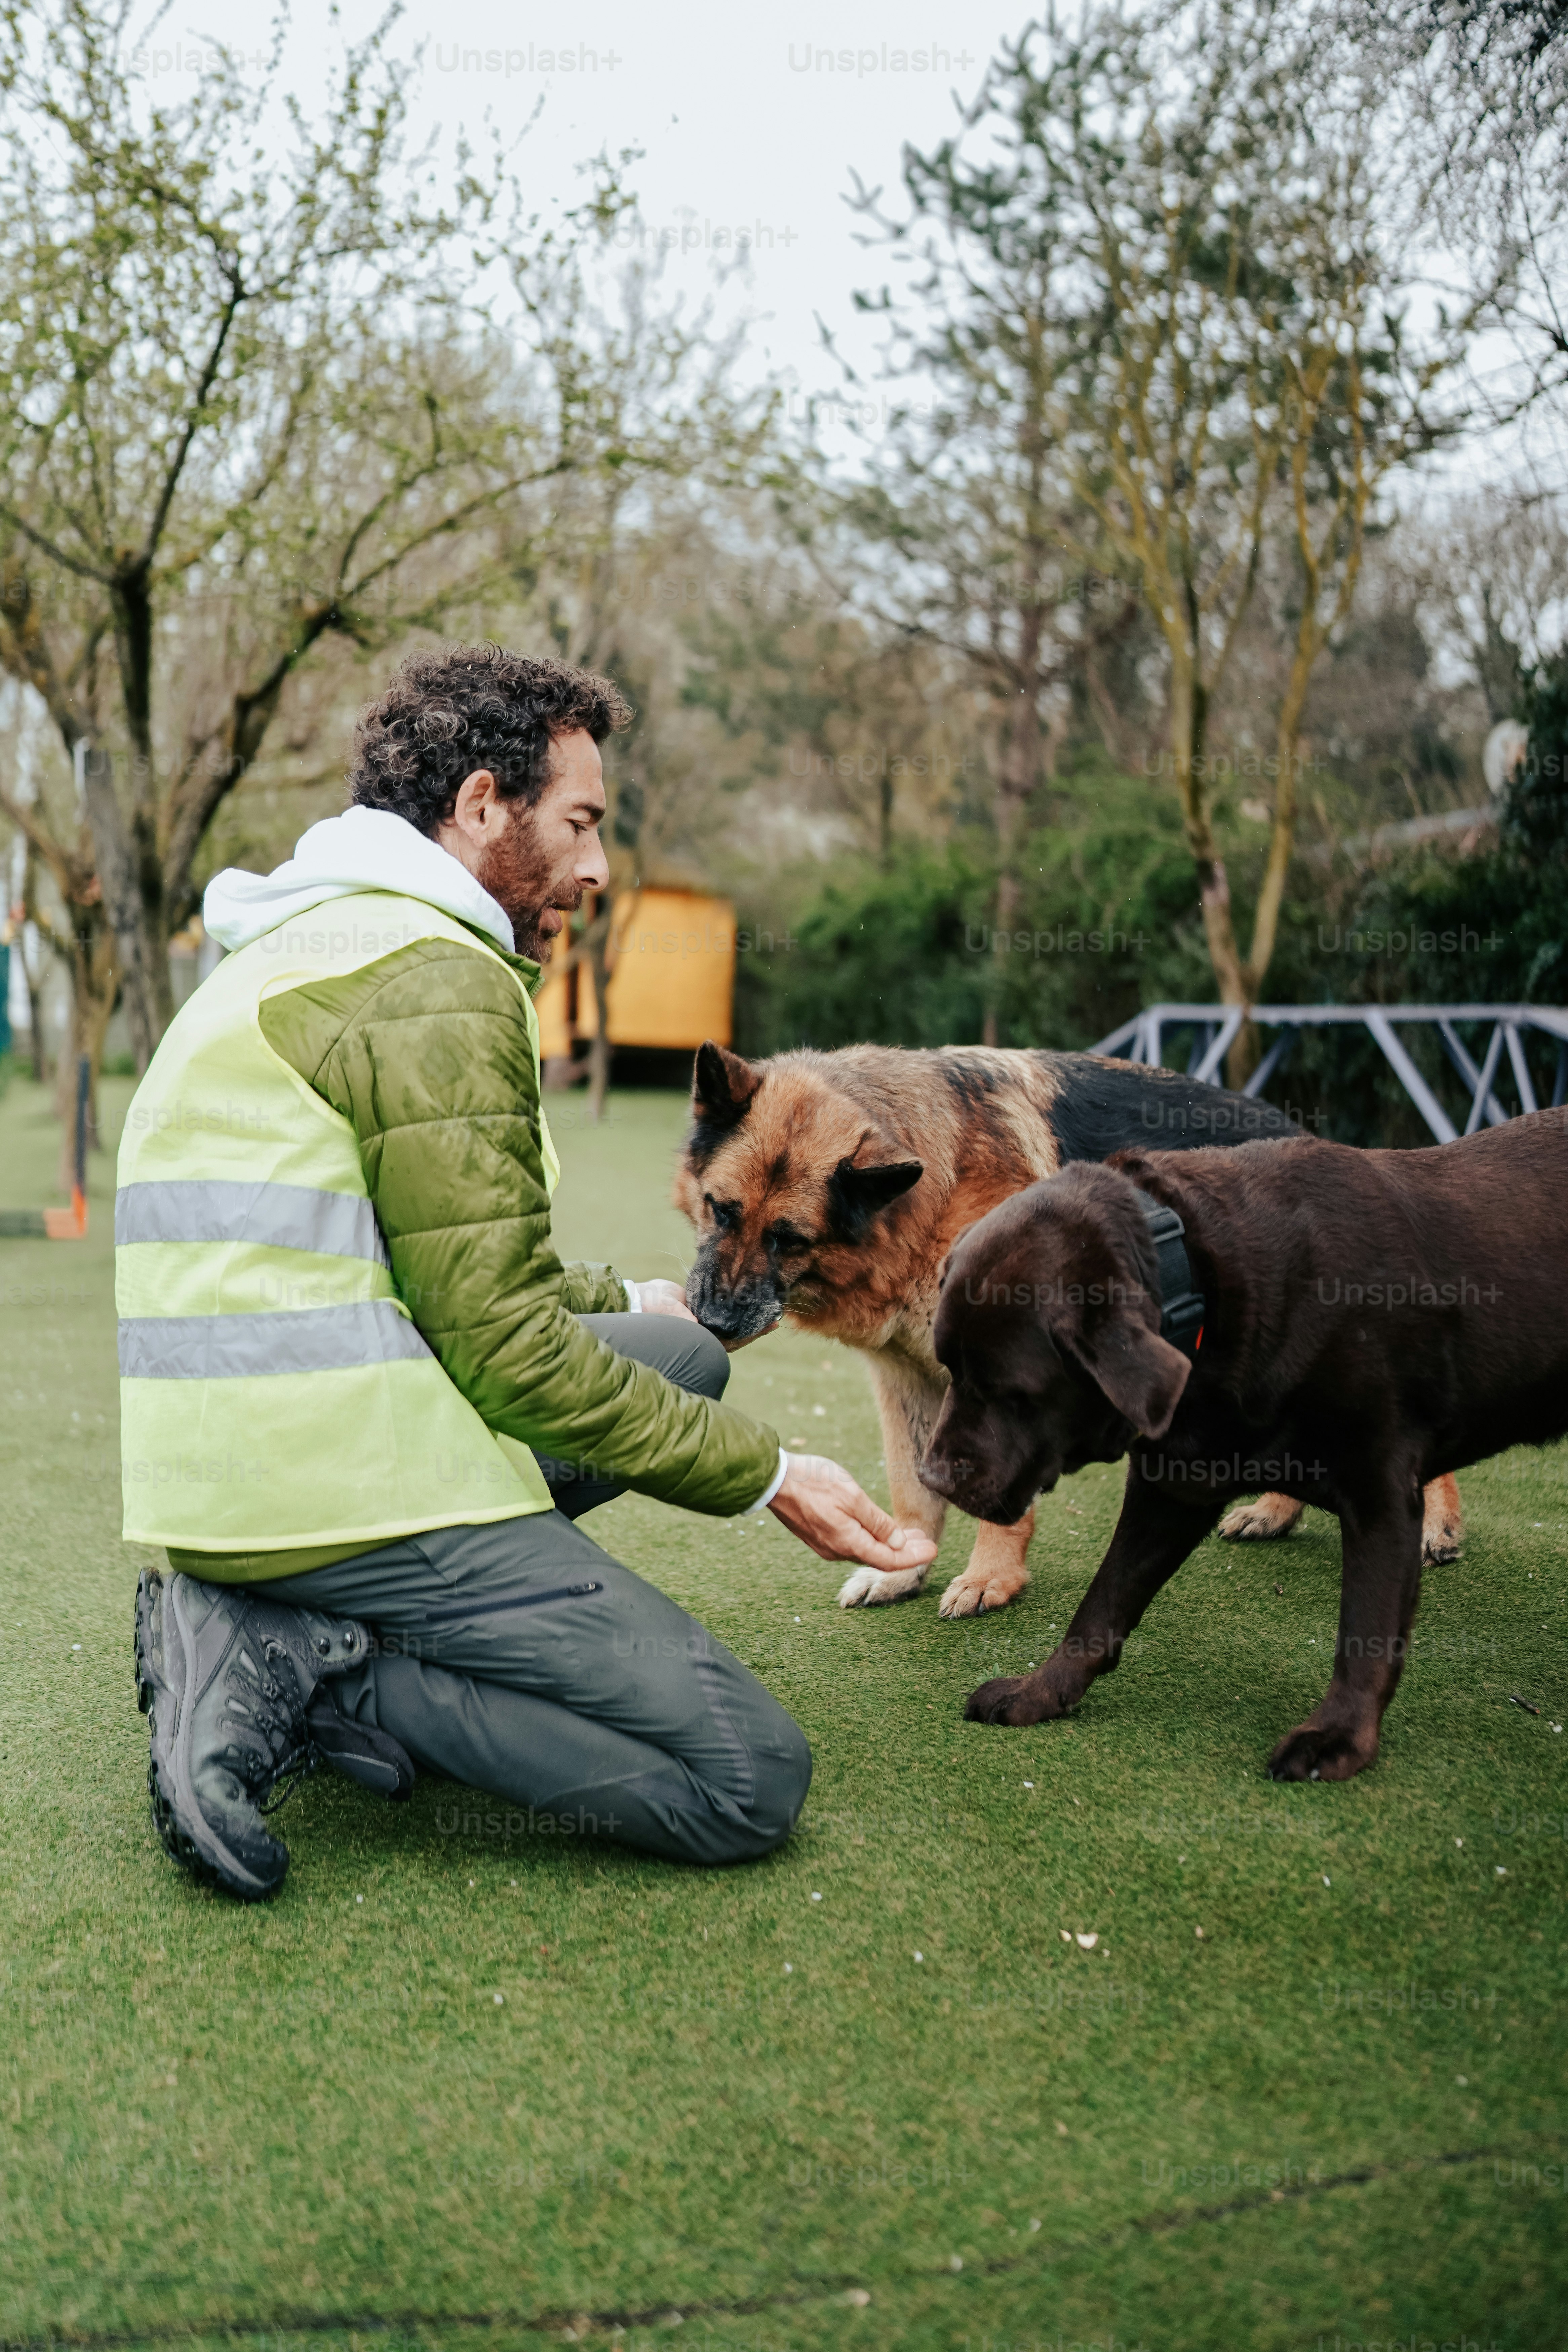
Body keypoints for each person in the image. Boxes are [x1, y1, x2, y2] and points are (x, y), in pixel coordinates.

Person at [121, 643, 936, 1900]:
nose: (599, 866)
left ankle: (294, 1616)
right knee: (747, 1781)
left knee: (687, 1348)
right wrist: (775, 1473)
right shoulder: (438, 980)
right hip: (333, 1487)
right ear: (483, 804)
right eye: (580, 824)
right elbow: (506, 1355)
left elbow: (445, 1260)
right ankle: (315, 1655)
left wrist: (632, 1304)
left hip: (231, 1461)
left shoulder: (314, 936)